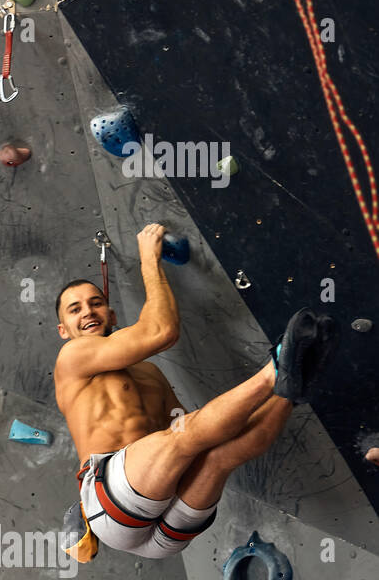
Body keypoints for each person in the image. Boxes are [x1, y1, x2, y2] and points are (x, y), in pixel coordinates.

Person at [53, 223, 339, 560]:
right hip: (113, 504)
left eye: (96, 302)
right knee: (182, 438)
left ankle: (290, 392)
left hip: (162, 526)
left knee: (219, 455)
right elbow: (161, 331)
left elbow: (196, 430)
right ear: (62, 330)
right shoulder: (72, 357)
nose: (88, 311)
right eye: (75, 309)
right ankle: (277, 368)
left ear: (111, 313)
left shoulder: (148, 373)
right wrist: (149, 259)